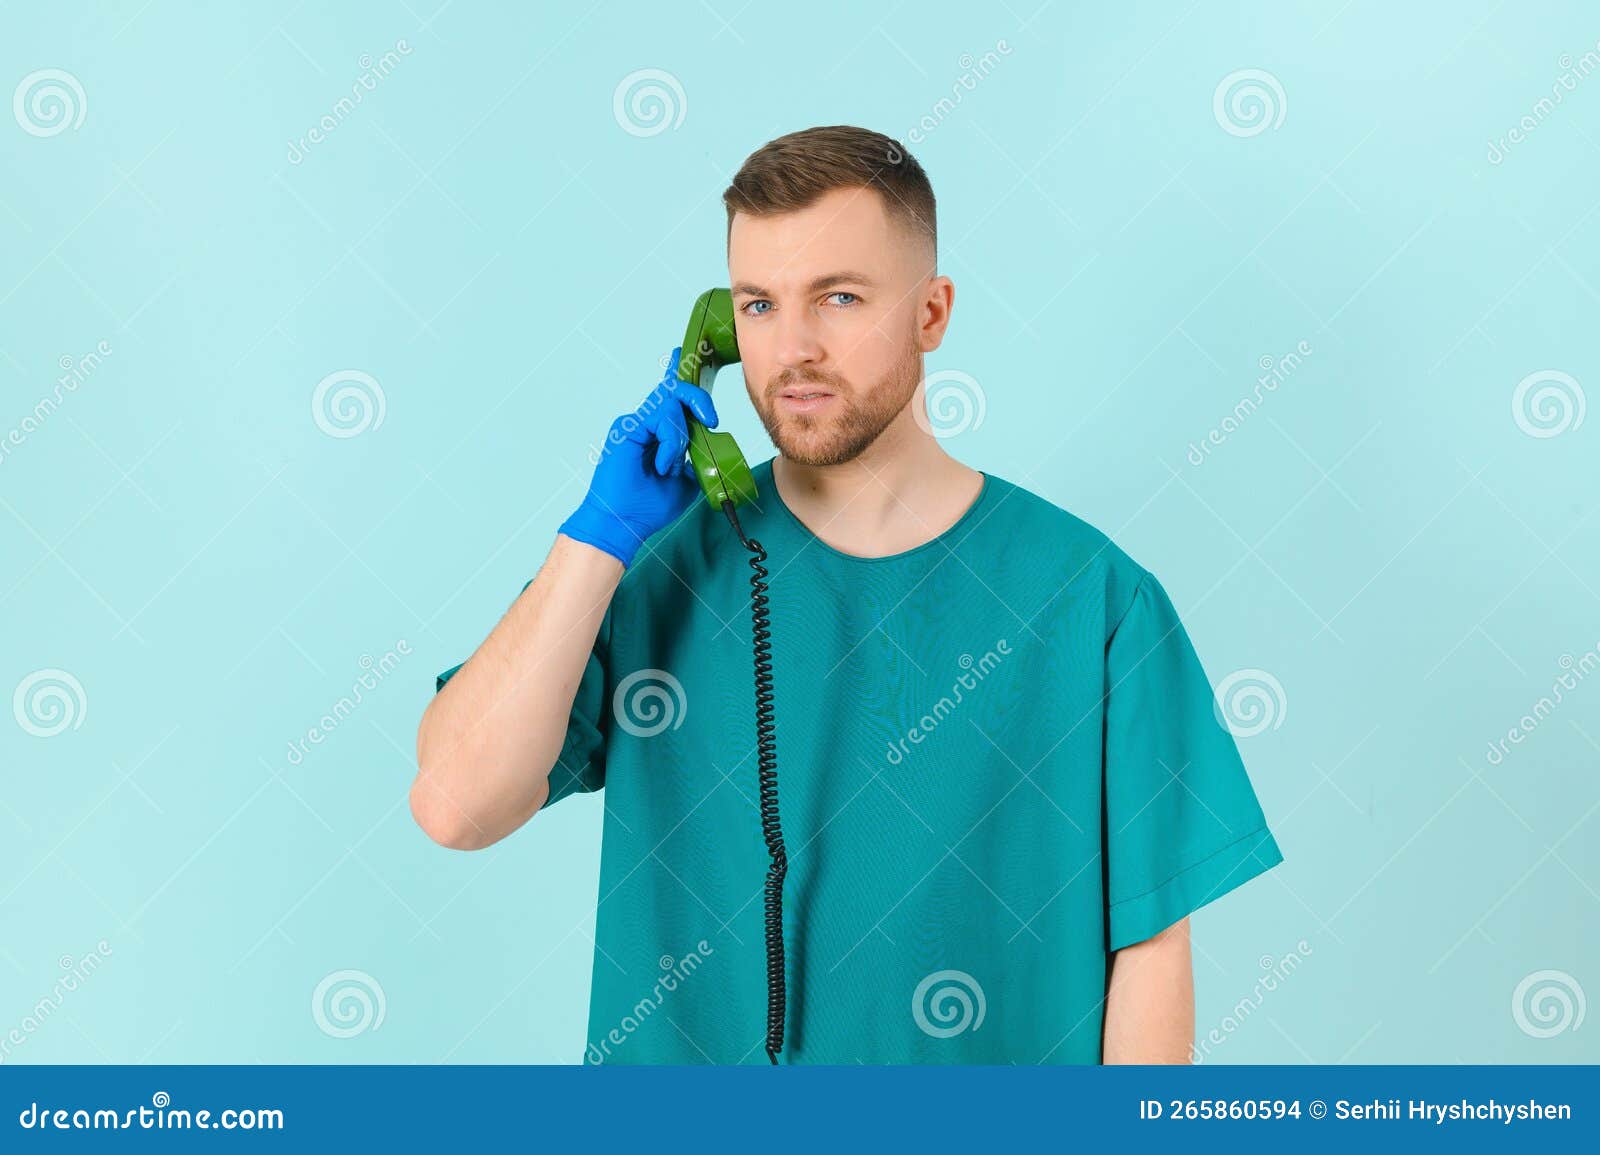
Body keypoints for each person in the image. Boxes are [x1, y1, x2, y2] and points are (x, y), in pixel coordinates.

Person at [410, 125, 1284, 1065]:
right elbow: (457, 805)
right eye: (756, 304)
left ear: (932, 314)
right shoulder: (659, 569)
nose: (792, 349)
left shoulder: (1092, 599)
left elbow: (1151, 950)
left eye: (838, 297)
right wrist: (596, 539)